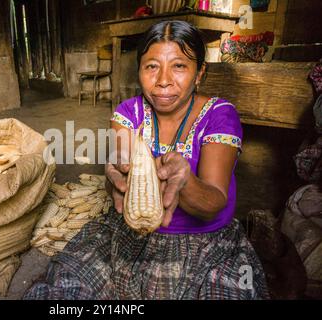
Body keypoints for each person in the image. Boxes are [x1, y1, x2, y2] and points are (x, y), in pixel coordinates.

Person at [24, 20, 269, 300]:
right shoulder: (128, 113)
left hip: (206, 246)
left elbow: (213, 203)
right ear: (139, 70)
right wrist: (113, 178)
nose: (163, 80)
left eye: (179, 66)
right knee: (61, 293)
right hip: (130, 235)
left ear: (199, 73)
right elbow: (119, 174)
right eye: (151, 66)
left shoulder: (219, 116)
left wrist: (185, 181)